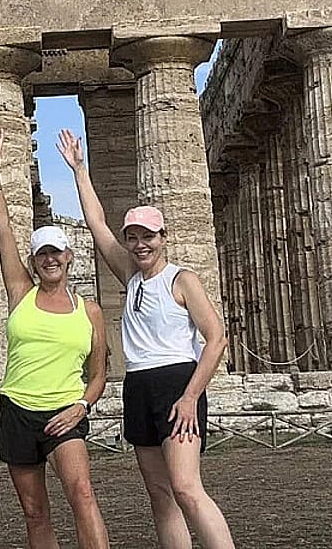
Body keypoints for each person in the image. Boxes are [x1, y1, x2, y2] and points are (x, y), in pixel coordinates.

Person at [58, 128, 236, 549]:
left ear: (163, 238)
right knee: (160, 496)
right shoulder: (131, 275)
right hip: (138, 384)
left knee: (186, 488)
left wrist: (190, 397)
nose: (140, 244)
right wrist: (79, 169)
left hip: (177, 383)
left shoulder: (182, 280)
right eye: (133, 237)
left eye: (148, 236)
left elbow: (216, 339)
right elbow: (97, 225)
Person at [0, 128, 111, 549]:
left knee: (83, 495)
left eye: (57, 252)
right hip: (17, 410)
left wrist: (81, 407)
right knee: (35, 512)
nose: (51, 259)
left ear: (69, 256)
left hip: (65, 411)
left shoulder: (90, 311)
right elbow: (3, 227)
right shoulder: (20, 291)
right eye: (43, 254)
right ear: (34, 261)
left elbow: (98, 375)